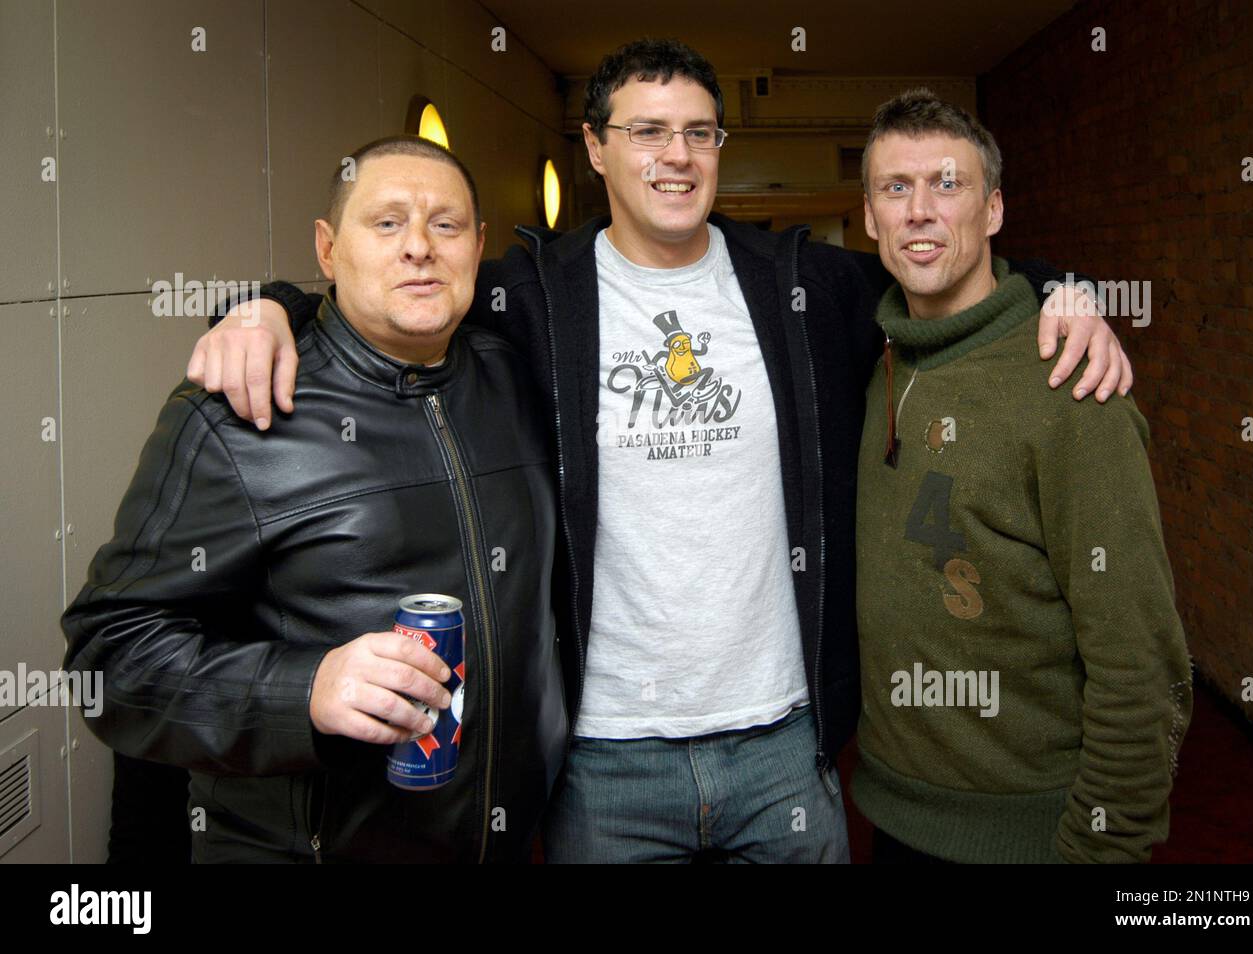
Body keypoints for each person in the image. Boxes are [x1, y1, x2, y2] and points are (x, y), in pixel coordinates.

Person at [188, 39, 1133, 863]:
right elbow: (402, 286)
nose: (675, 155)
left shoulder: (800, 286)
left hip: (784, 745)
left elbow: (943, 264)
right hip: (605, 762)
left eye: (698, 132)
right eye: (646, 131)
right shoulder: (530, 298)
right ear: (595, 147)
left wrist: (1063, 288)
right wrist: (273, 302)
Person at [62, 136, 567, 863]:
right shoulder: (241, 409)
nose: (419, 247)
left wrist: (269, 301)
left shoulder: (518, 377)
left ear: (478, 247)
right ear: (328, 250)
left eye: (446, 225)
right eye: (387, 223)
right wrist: (304, 691)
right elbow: (108, 656)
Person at [853, 89, 1191, 863]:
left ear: (995, 209)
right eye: (895, 188)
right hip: (895, 820)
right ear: (870, 217)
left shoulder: (1071, 385)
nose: (920, 211)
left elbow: (1143, 667)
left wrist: (1102, 850)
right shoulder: (879, 359)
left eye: (949, 183)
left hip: (1030, 839)